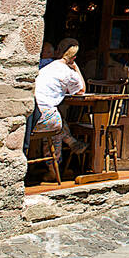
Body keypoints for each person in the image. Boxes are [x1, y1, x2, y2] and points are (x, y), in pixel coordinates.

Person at [29, 37, 88, 167]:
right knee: (56, 129)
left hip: (31, 115)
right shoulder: (68, 72)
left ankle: (56, 162)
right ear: (74, 57)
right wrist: (75, 67)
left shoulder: (48, 67)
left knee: (57, 119)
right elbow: (82, 90)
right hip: (41, 118)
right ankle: (54, 166)